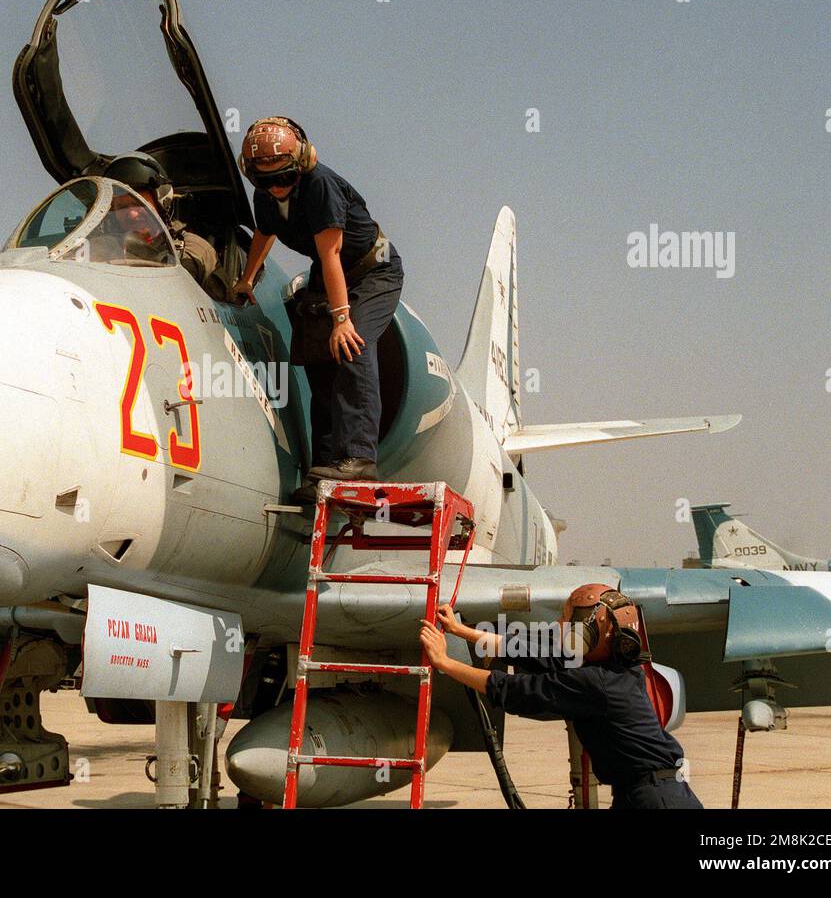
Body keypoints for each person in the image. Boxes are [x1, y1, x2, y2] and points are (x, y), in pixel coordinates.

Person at [230, 117, 402, 499]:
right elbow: (264, 232)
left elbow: (332, 253)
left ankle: (359, 460)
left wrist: (341, 319)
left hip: (374, 270)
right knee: (317, 358)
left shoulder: (320, 185)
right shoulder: (267, 193)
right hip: (331, 272)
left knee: (350, 346)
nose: (276, 187)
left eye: (284, 178)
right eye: (264, 180)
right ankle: (326, 468)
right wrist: (247, 278)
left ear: (303, 164)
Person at [419, 584, 705, 809]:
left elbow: (515, 689)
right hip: (649, 794)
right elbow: (528, 651)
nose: (559, 622)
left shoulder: (594, 682)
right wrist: (461, 631)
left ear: (589, 631)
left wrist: (445, 663)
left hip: (656, 800)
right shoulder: (616, 669)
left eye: (567, 618)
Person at [101, 152, 219, 286]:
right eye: (122, 207)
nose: (132, 214)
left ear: (162, 201)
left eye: (139, 203)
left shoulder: (195, 252)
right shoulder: (99, 250)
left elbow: (225, 306)